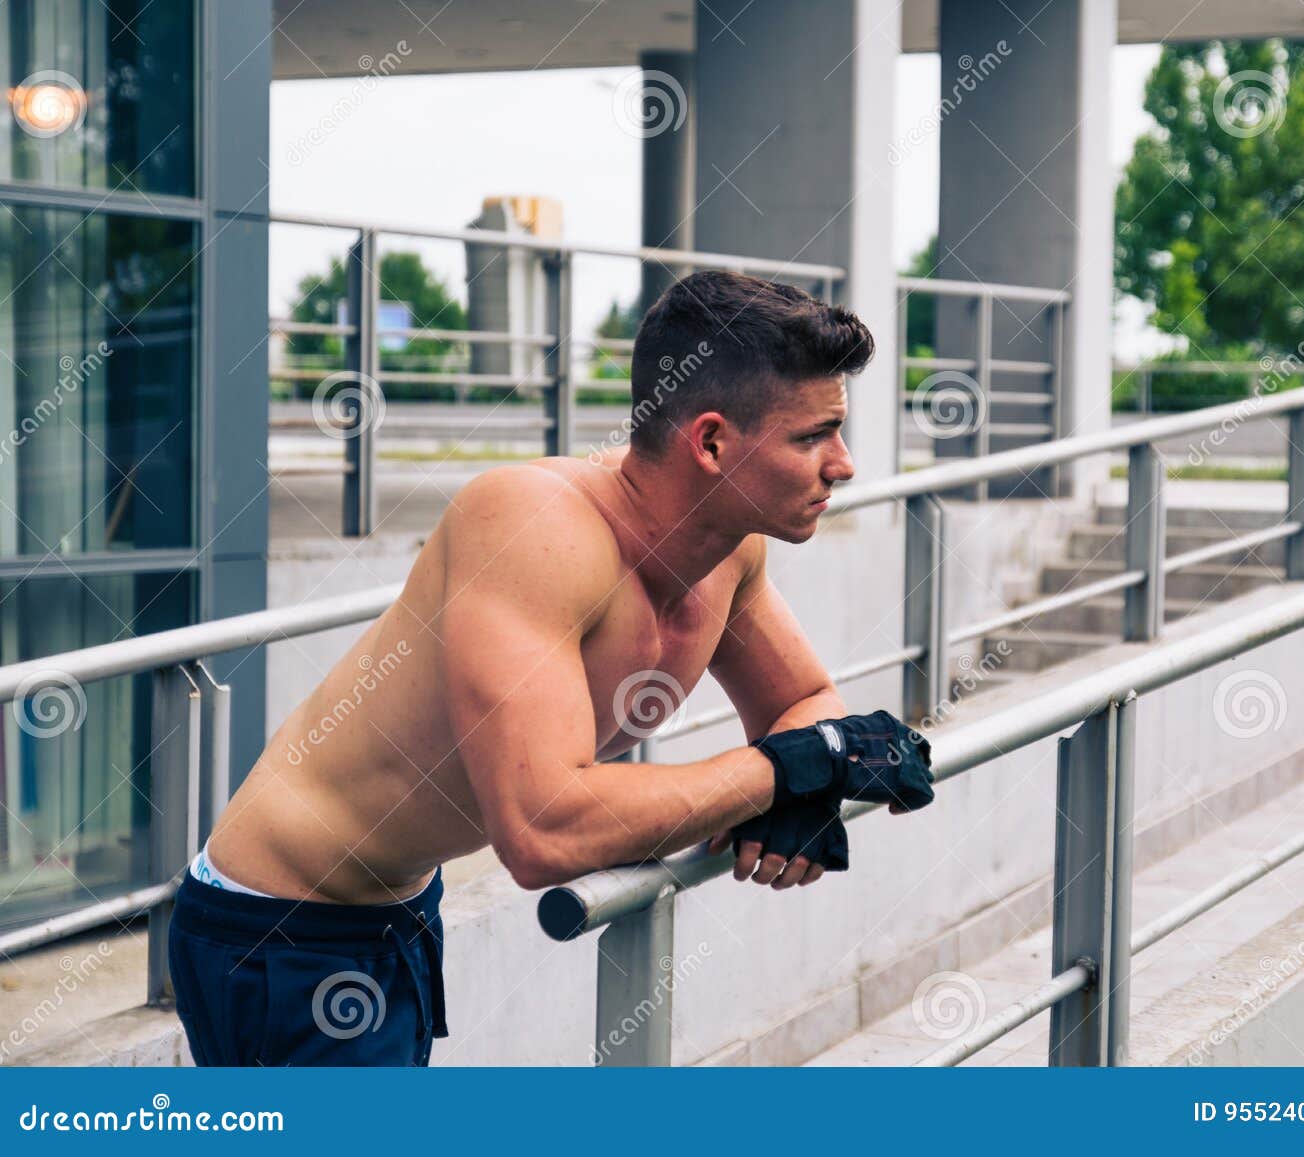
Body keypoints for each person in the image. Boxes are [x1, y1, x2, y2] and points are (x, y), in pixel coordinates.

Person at [167, 271, 936, 1066]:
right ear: (711, 442)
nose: (842, 465)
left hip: (395, 909)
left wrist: (801, 779)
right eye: (812, 437)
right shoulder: (532, 526)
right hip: (278, 923)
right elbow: (542, 828)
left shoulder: (732, 551)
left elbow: (805, 698)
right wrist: (793, 769)